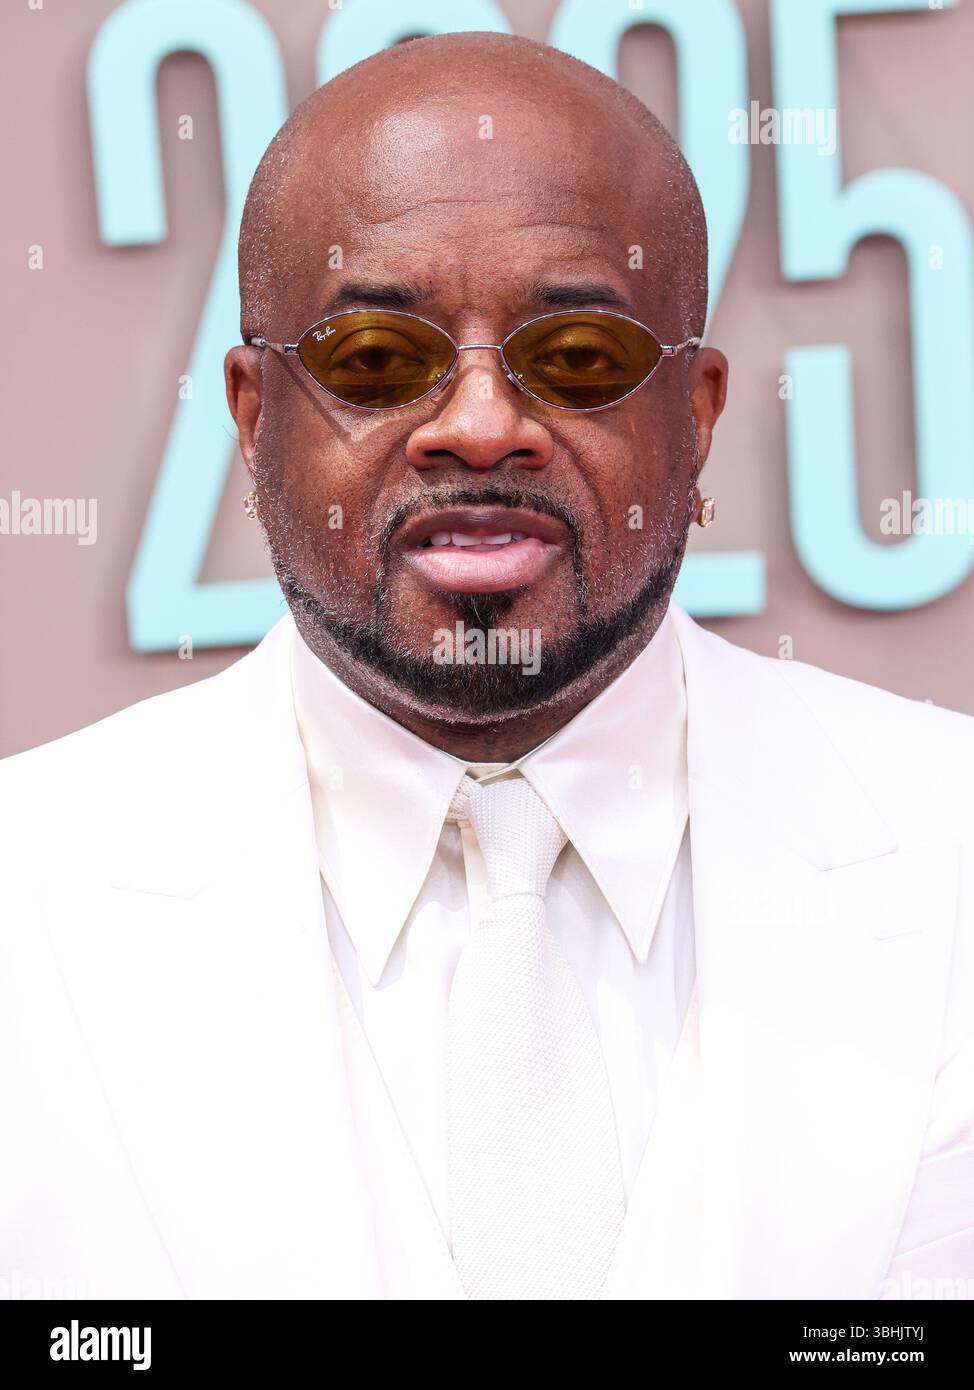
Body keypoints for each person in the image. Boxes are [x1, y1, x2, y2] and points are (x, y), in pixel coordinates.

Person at [2, 32, 972, 1302]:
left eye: (577, 357)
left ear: (697, 416)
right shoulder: (28, 888)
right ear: (251, 416)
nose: (477, 426)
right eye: (373, 362)